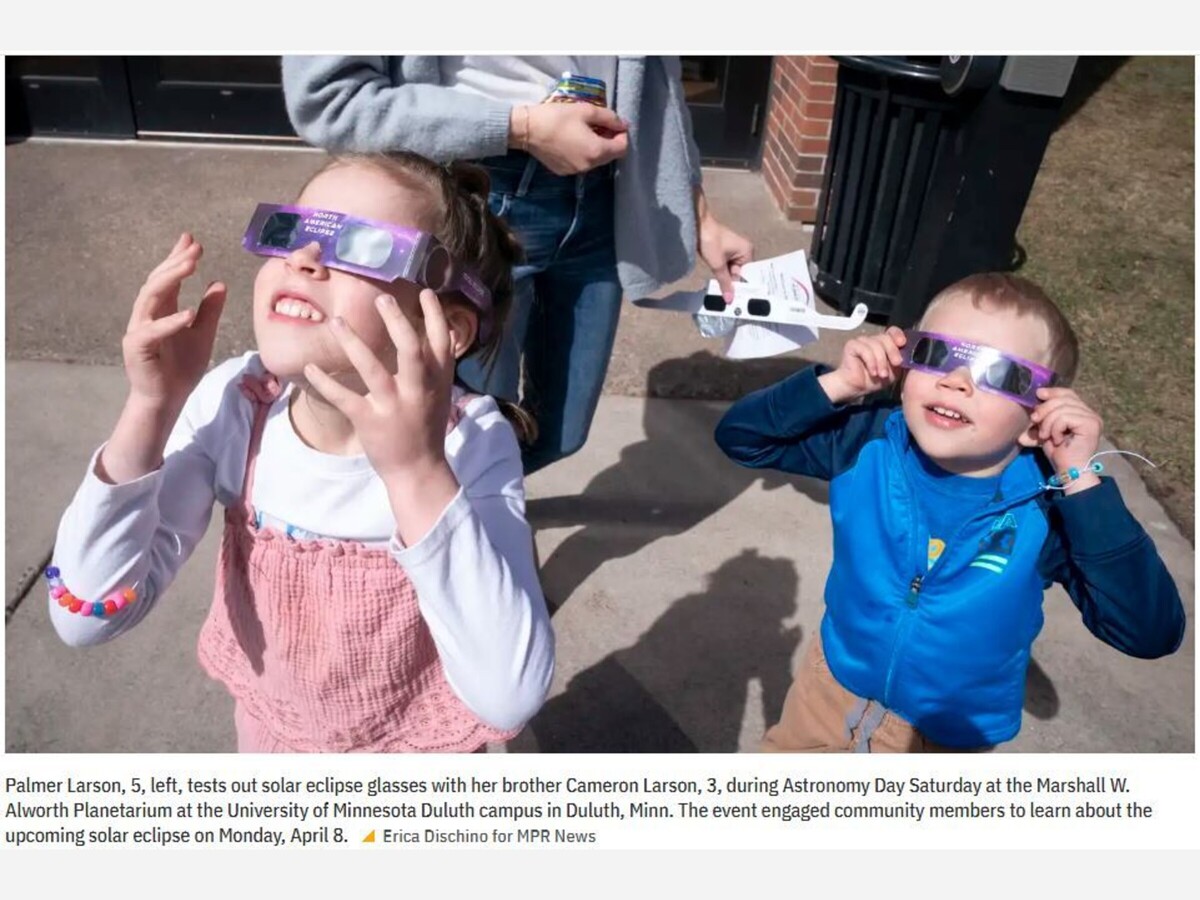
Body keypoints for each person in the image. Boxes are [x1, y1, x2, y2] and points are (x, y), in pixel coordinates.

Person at [47, 152, 555, 753]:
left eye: (362, 245)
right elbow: (88, 615)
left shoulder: (469, 440)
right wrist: (151, 409)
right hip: (273, 741)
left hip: (417, 753)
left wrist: (417, 472)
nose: (305, 257)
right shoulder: (237, 404)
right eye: (291, 230)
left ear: (444, 329)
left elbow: (510, 693)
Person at [714, 273, 1185, 752]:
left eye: (1000, 373)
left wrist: (1082, 482)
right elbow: (741, 439)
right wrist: (838, 384)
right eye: (937, 354)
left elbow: (1148, 632)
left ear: (1035, 421)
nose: (957, 381)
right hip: (829, 687)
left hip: (948, 734)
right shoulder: (868, 442)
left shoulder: (1047, 505)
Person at [282, 56, 754, 473]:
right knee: (460, 434)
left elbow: (659, 82)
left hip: (603, 197)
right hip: (470, 191)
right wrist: (521, 127)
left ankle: (487, 508)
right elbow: (330, 100)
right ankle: (453, 542)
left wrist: (699, 213)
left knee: (559, 434)